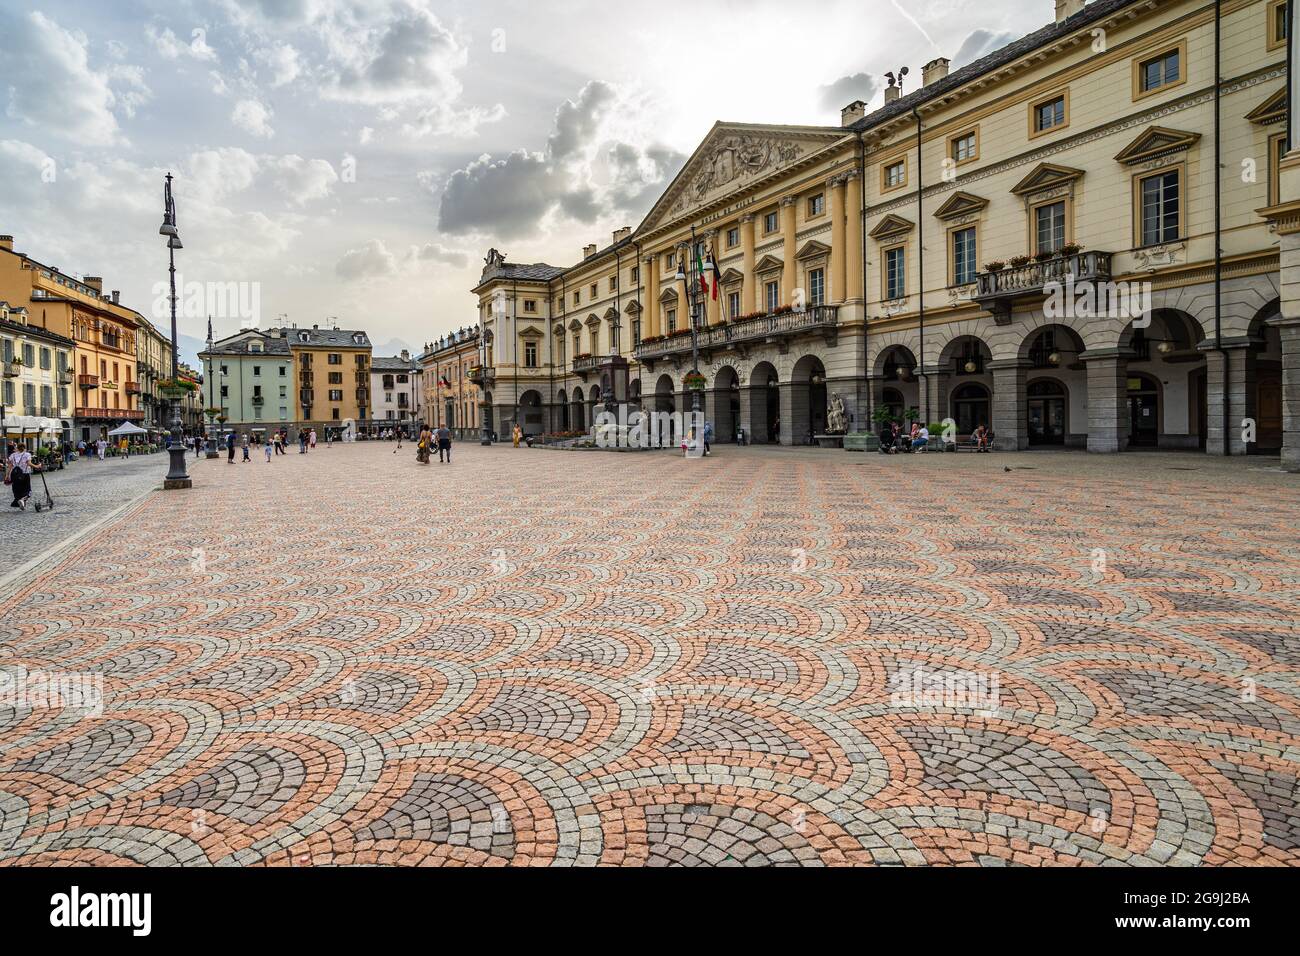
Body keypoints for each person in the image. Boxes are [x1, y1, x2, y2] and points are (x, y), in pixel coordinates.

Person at [5, 441, 35, 510]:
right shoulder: (27, 454)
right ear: (24, 448)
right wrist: (37, 466)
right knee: (28, 490)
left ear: (17, 448)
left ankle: (22, 504)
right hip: (25, 474)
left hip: (14, 475)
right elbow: (29, 463)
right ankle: (22, 500)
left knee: (17, 490)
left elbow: (9, 466)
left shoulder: (13, 455)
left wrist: (7, 475)